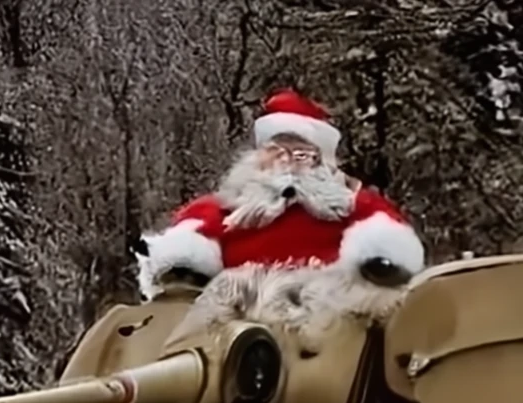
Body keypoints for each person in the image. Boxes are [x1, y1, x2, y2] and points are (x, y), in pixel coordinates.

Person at [135, 90, 426, 305]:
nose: (286, 163)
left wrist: (381, 264)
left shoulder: (357, 206)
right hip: (237, 321)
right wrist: (181, 261)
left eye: (300, 153)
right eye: (275, 152)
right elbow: (192, 238)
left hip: (332, 321)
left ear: (322, 161)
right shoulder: (221, 209)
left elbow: (391, 243)